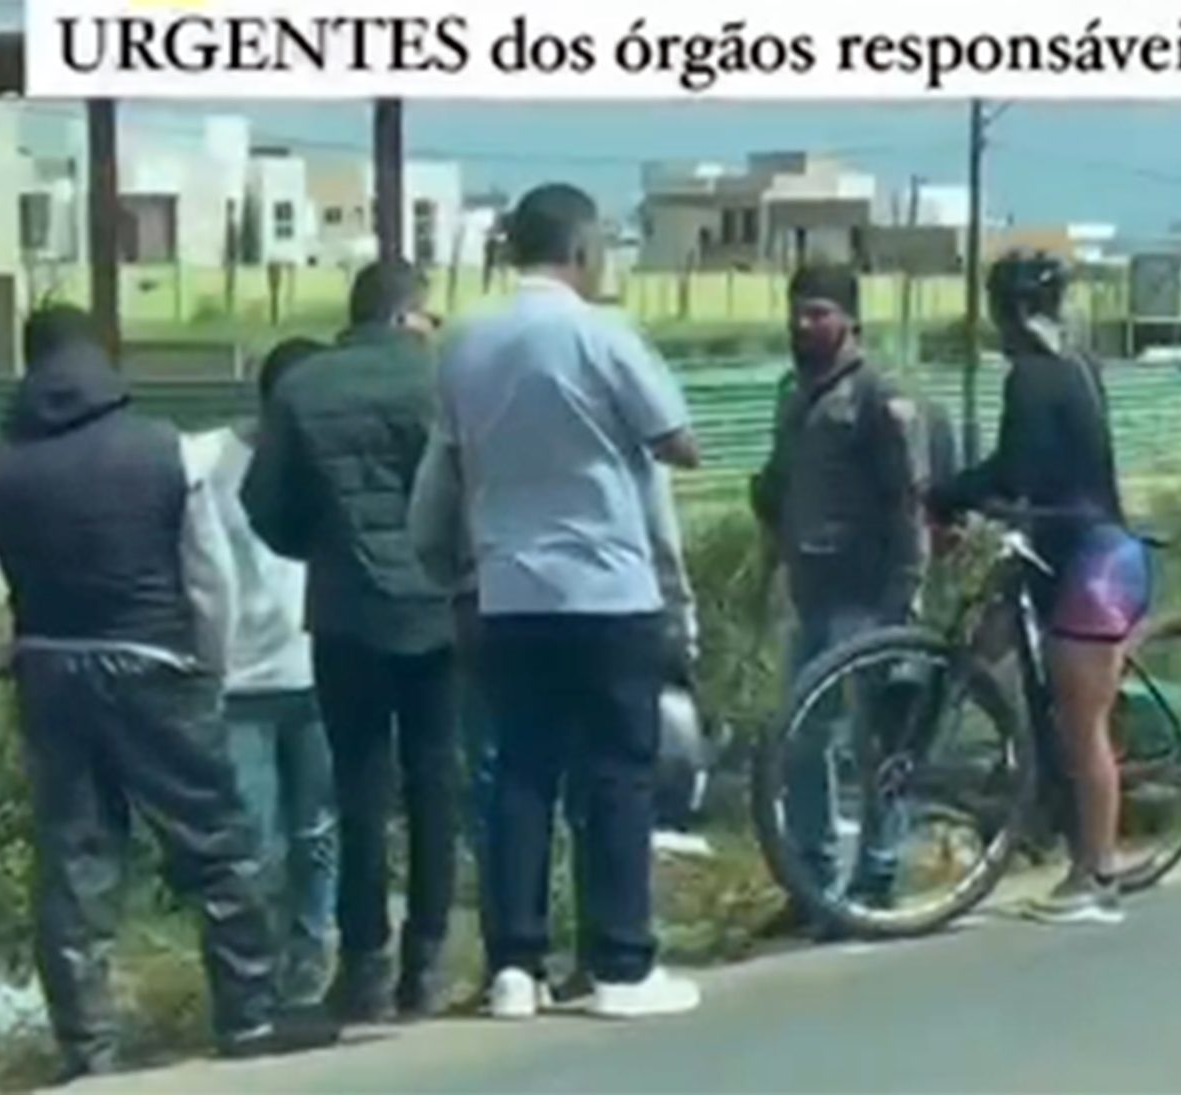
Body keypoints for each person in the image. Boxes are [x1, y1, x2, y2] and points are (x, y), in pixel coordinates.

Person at [0, 306, 337, 1081]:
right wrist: (207, 661)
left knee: (74, 860)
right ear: (106, 361)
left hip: (50, 672)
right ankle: (247, 1019)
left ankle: (89, 1049)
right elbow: (207, 574)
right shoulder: (164, 450)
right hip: (157, 666)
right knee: (217, 845)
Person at [422, 182, 702, 1020]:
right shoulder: (601, 333)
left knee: (522, 773)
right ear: (583, 250)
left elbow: (444, 469)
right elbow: (677, 442)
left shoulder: (465, 342)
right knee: (616, 772)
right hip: (609, 587)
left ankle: (516, 965)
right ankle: (620, 962)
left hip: (508, 589)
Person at [241, 263, 458, 1022]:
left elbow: (263, 506)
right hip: (437, 610)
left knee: (359, 787)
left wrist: (324, 547)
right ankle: (427, 961)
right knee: (435, 782)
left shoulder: (303, 388)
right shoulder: (441, 381)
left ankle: (364, 961)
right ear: (406, 315)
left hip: (345, 613)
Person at [927, 248, 1152, 927]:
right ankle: (1035, 805)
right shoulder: (1079, 363)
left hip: (1090, 559)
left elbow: (1013, 469)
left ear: (1007, 311)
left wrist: (945, 494)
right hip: (1074, 545)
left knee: (1078, 722)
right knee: (988, 646)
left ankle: (1097, 876)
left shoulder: (1030, 374)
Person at [750, 264, 930, 927]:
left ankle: (878, 871)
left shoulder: (879, 397)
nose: (804, 325)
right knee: (801, 741)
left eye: (819, 312)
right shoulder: (793, 396)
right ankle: (813, 879)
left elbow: (909, 504)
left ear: (850, 320)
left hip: (870, 593)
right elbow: (776, 489)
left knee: (876, 739)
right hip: (813, 591)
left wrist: (906, 595)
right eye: (797, 311)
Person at [187, 337, 337, 1008]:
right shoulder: (206, 460)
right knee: (254, 840)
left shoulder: (335, 456)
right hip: (238, 683)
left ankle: (314, 959)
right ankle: (257, 976)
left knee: (318, 831)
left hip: (320, 670)